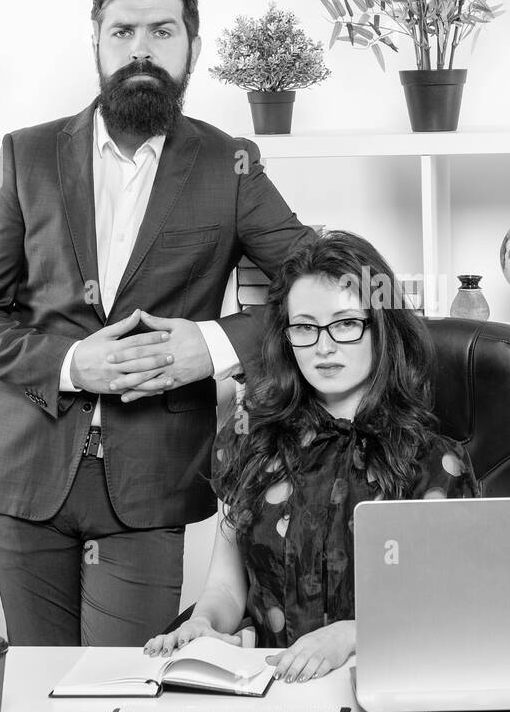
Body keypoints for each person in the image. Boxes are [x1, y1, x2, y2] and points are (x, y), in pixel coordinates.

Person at [0, 0, 318, 646]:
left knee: (128, 687)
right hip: (26, 475)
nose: (140, 50)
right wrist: (69, 363)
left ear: (192, 49)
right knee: (37, 690)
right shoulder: (26, 155)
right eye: (122, 32)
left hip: (151, 480)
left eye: (162, 31)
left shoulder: (229, 164)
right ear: (97, 44)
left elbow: (324, 288)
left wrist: (208, 347)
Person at [144, 232, 479, 682]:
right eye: (304, 327)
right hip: (270, 691)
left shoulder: (434, 464)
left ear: (382, 327)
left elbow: (456, 607)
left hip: (378, 686)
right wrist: (204, 623)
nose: (324, 347)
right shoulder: (251, 440)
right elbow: (226, 587)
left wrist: (352, 635)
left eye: (345, 323)